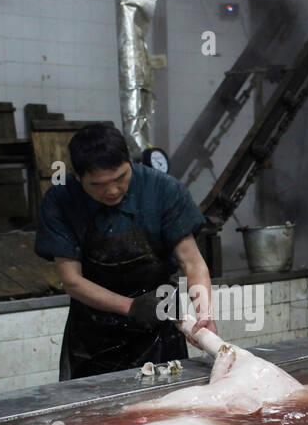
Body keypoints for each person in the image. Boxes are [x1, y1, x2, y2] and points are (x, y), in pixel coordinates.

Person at [35, 123, 215, 379]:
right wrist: (131, 306)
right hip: (94, 334)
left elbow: (193, 264)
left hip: (159, 319)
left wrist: (204, 315)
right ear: (77, 175)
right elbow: (72, 281)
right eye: (98, 184)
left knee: (166, 410)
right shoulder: (61, 200)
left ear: (129, 162)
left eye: (120, 178)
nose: (112, 190)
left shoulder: (163, 189)